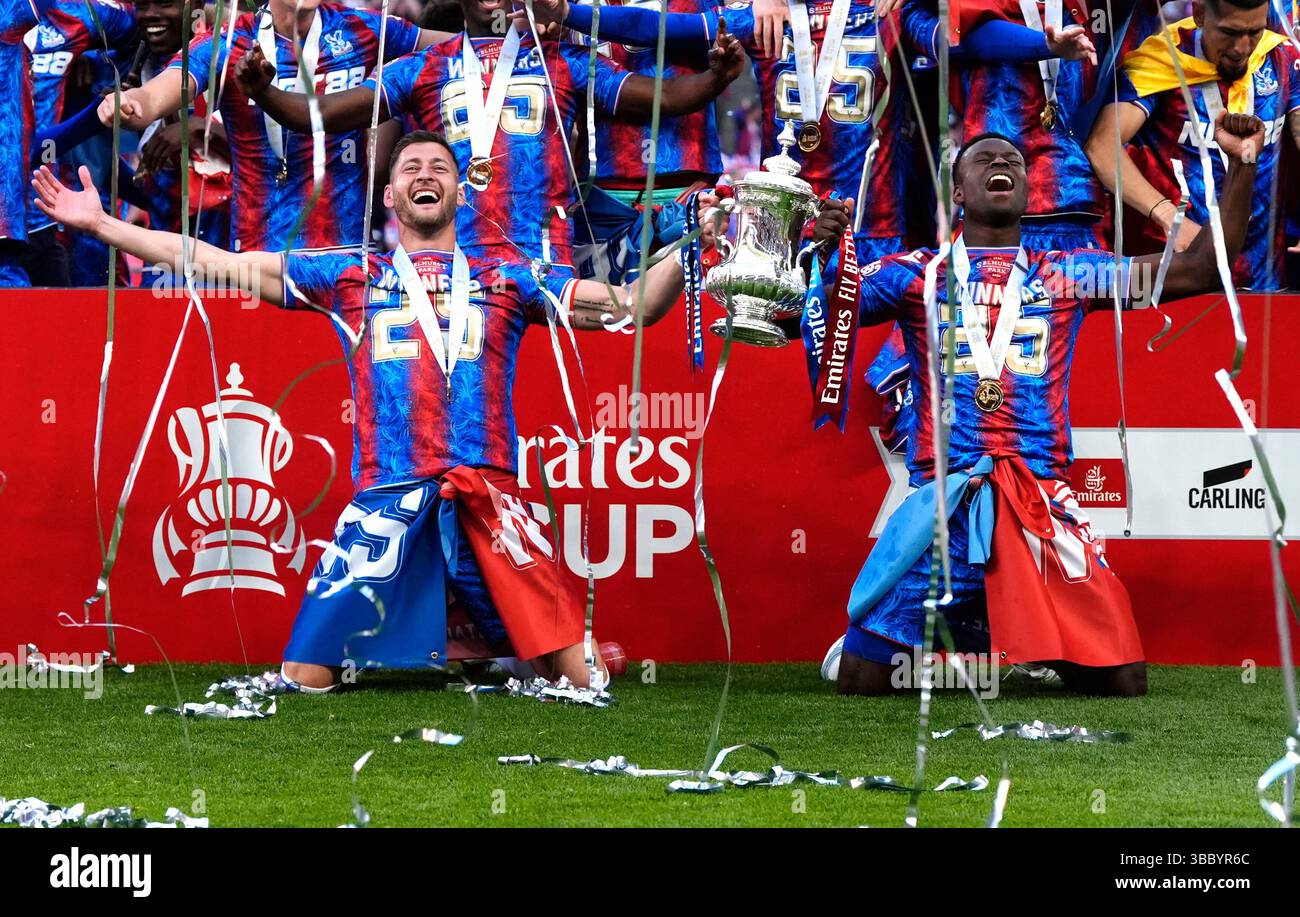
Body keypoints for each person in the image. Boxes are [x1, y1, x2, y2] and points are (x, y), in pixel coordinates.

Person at [32, 130, 719, 691]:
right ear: (390, 194)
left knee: (585, 682)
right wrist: (102, 225)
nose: (426, 173)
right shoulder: (349, 275)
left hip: (489, 500)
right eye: (411, 166)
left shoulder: (510, 277)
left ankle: (526, 645)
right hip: (386, 504)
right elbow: (214, 259)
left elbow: (635, 307)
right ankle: (492, 646)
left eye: (440, 167)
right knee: (303, 678)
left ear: (459, 190)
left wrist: (693, 244)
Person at [806, 113, 1263, 696]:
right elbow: (821, 314)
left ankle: (1024, 640)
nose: (1002, 164)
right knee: (861, 679)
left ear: (1028, 193)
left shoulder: (1070, 276)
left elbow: (1200, 270)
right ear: (958, 191)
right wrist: (820, 252)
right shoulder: (916, 275)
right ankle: (991, 645)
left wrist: (1244, 165)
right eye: (985, 160)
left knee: (1123, 683)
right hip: (947, 503)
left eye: (1014, 163)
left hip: (1040, 501)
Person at [233, 0, 748, 273]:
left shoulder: (564, 64)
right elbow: (323, 114)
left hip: (547, 266)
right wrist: (266, 94)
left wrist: (716, 80)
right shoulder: (421, 67)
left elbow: (656, 99)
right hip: (451, 268)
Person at [98, 0, 447, 253]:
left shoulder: (363, 28)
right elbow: (157, 94)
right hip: (258, 256)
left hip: (345, 254)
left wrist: (500, 33)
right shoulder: (229, 40)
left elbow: (458, 46)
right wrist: (128, 105)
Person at [1086, 0, 1300, 289]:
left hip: (1264, 272)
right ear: (1199, 14)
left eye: (1254, 32)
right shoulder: (1163, 59)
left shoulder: (1282, 56)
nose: (1241, 48)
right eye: (1229, 32)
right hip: (1180, 269)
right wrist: (1168, 217)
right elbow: (1102, 146)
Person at [21, 0, 138, 286]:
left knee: (63, 321)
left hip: (44, 212)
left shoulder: (79, 15)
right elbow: (23, 147)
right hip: (15, 210)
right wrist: (95, 113)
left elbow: (143, 31)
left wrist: (98, 67)